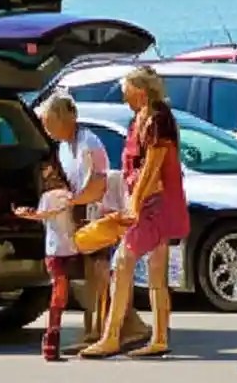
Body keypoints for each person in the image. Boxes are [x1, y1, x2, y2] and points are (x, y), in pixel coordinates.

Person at [82, 66, 190, 359]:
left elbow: (152, 167)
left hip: (154, 205)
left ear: (140, 90)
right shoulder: (142, 118)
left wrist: (133, 205)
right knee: (155, 272)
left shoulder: (156, 119)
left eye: (126, 90)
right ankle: (159, 338)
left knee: (122, 263)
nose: (123, 96)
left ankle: (111, 337)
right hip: (154, 203)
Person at [37, 92, 150, 354]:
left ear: (66, 118)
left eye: (50, 122)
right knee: (94, 278)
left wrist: (72, 201)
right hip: (83, 215)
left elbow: (98, 184)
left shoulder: (89, 142)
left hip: (101, 214)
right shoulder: (64, 147)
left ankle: (108, 331)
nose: (47, 128)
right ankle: (102, 330)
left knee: (100, 275)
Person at [12, 160, 77, 361]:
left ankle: (51, 337)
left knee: (57, 293)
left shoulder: (48, 197)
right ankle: (53, 338)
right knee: (61, 292)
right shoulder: (70, 195)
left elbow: (42, 216)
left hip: (55, 250)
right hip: (71, 248)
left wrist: (24, 214)